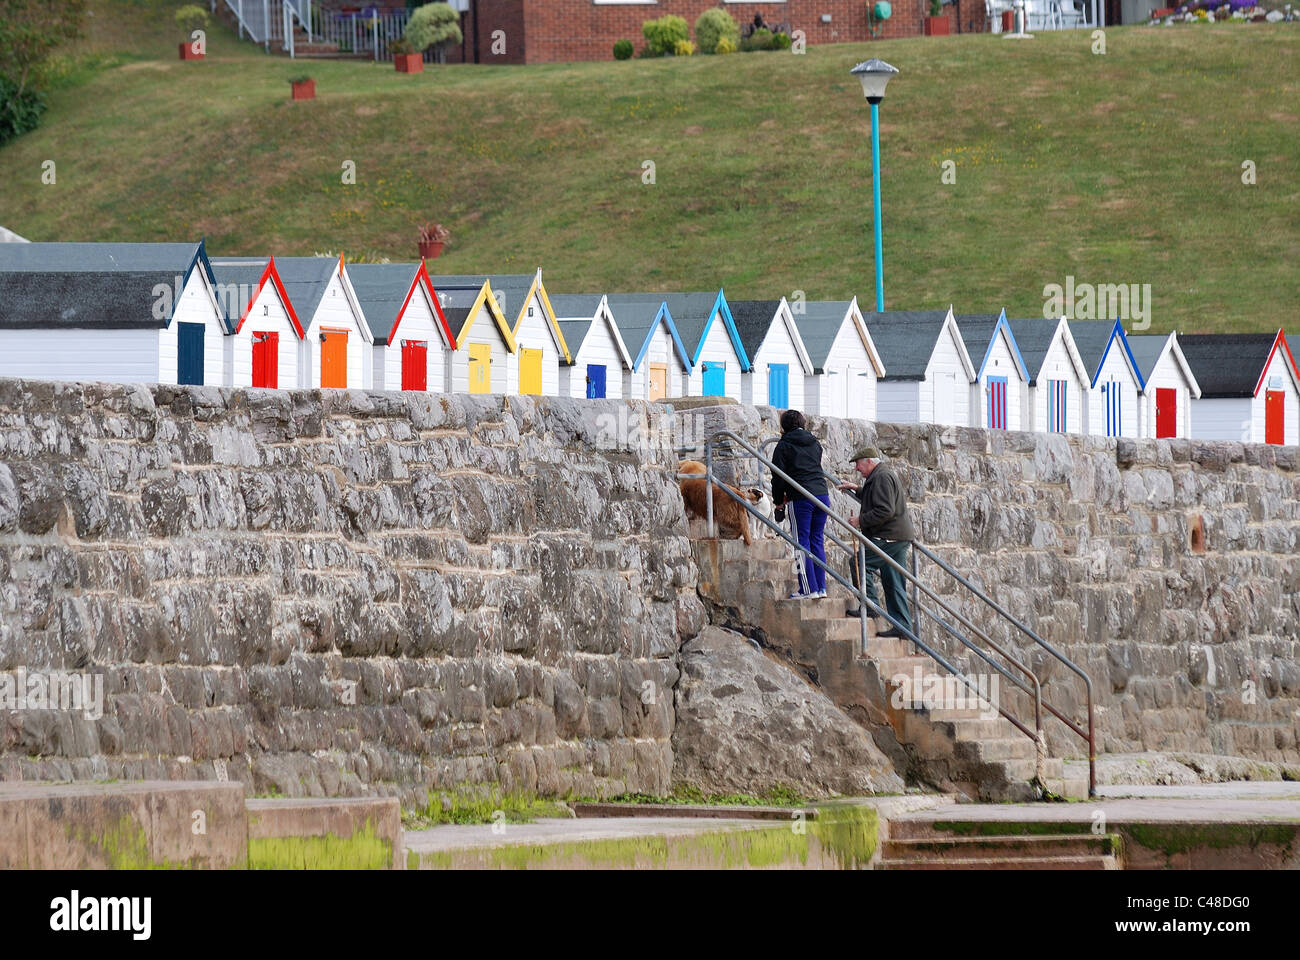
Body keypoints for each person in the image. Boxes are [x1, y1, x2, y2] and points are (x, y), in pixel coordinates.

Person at [839, 446, 915, 638]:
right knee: (893, 581)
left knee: (858, 562)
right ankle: (903, 627)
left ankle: (870, 606)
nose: (857, 468)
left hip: (889, 537)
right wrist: (857, 489)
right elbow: (877, 498)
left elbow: (884, 510)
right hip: (898, 536)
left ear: (869, 461)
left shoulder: (881, 477)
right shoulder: (881, 475)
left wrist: (860, 521)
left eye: (858, 464)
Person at [770, 410, 830, 600]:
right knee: (817, 540)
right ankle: (820, 588)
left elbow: (778, 477)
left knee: (800, 542)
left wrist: (779, 503)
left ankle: (807, 589)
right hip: (822, 495)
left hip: (801, 498)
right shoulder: (815, 443)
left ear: (783, 426)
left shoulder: (784, 445)